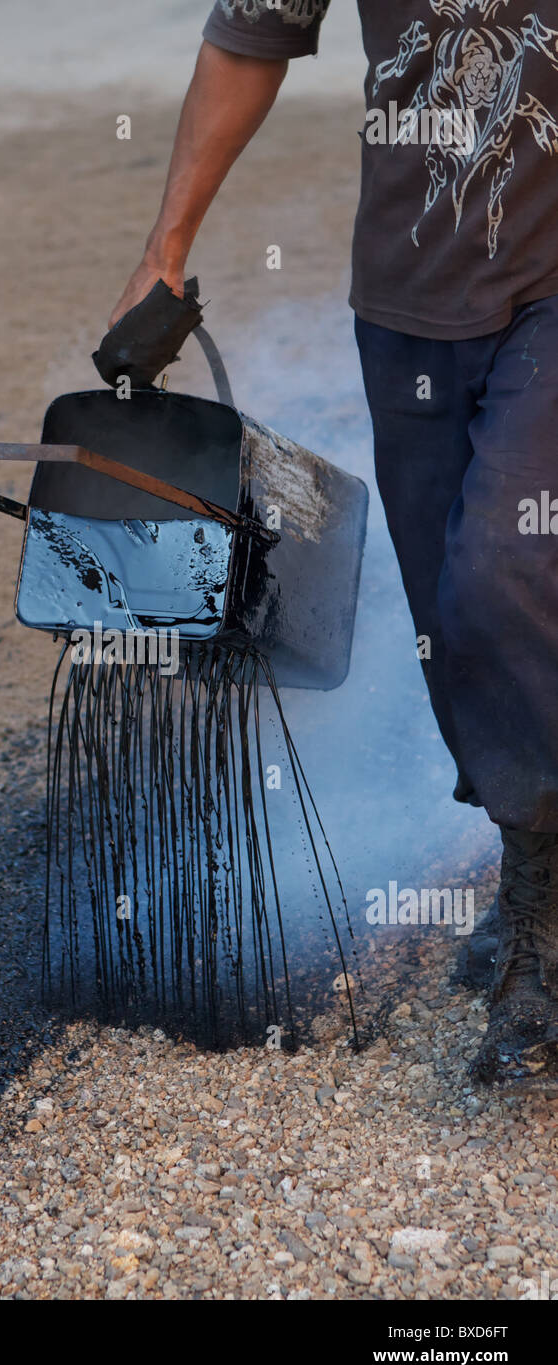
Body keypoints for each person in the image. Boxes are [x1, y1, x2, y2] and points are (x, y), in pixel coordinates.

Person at [107, 0, 558, 1089]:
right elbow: (247, 40)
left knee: (501, 569)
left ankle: (541, 941)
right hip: (404, 301)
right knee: (448, 618)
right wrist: (164, 250)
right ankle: (529, 862)